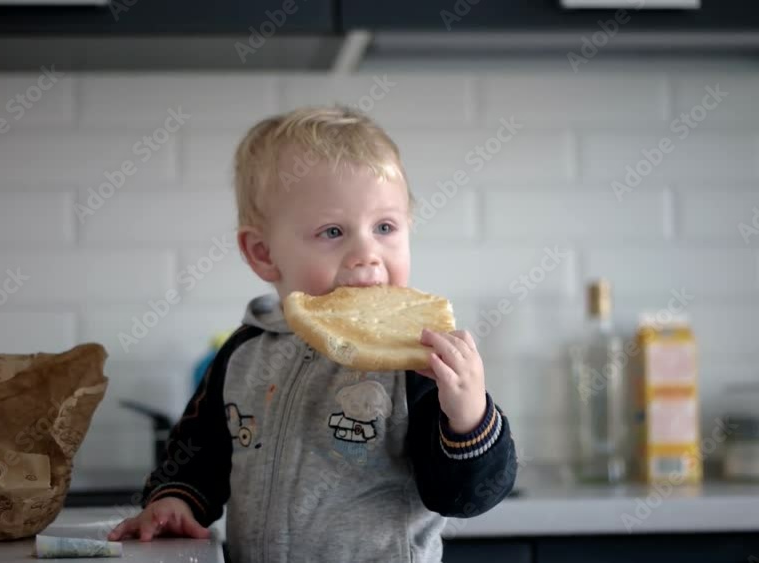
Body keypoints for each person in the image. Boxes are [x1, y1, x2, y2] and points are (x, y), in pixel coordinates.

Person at [108, 105, 518, 562]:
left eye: (385, 227)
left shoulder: (413, 360)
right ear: (263, 253)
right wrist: (176, 499)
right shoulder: (245, 352)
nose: (367, 254)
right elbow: (197, 450)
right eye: (332, 231)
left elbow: (463, 497)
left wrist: (468, 417)